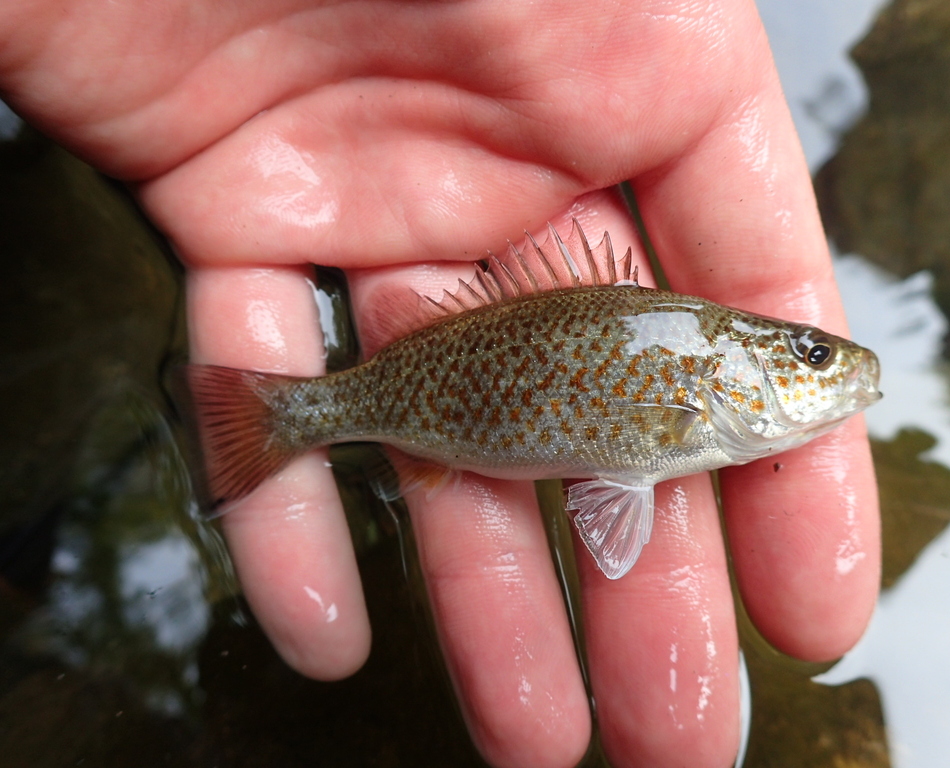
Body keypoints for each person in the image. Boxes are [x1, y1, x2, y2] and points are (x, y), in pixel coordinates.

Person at [0, 1, 880, 765]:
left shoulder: (691, 379)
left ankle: (276, 419)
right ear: (728, 369)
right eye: (808, 356)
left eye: (814, 354)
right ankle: (274, 417)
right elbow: (612, 510)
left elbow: (613, 508)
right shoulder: (685, 384)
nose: (829, 365)